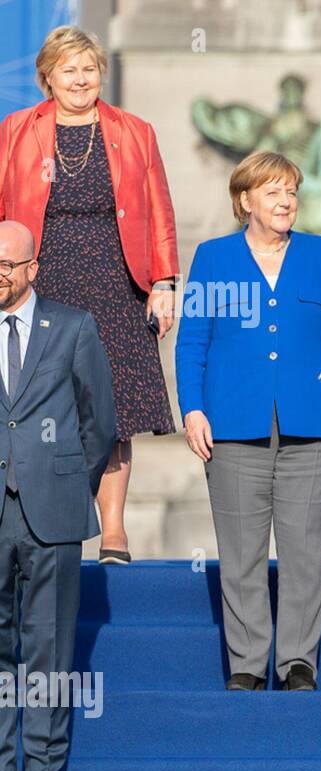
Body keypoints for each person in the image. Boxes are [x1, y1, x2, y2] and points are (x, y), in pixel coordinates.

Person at [175, 151, 321, 692]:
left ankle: (298, 662)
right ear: (245, 201)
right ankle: (246, 663)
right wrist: (193, 408)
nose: (286, 202)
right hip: (234, 424)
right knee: (241, 550)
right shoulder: (213, 258)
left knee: (303, 547)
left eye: (291, 192)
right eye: (273, 192)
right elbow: (193, 342)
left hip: (311, 425)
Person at [0, 26, 179, 563]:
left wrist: (165, 281)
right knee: (41, 403)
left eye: (89, 69)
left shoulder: (135, 130)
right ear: (47, 77)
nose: (81, 79)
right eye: (69, 69)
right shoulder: (14, 131)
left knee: (115, 405)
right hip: (44, 275)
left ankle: (114, 530)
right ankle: (49, 522)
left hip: (115, 278)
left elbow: (160, 208)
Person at [0, 220, 116, 771]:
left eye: (8, 265)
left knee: (48, 656)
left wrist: (65, 479)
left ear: (32, 269)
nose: (0, 274)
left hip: (53, 514)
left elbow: (99, 422)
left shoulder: (73, 327)